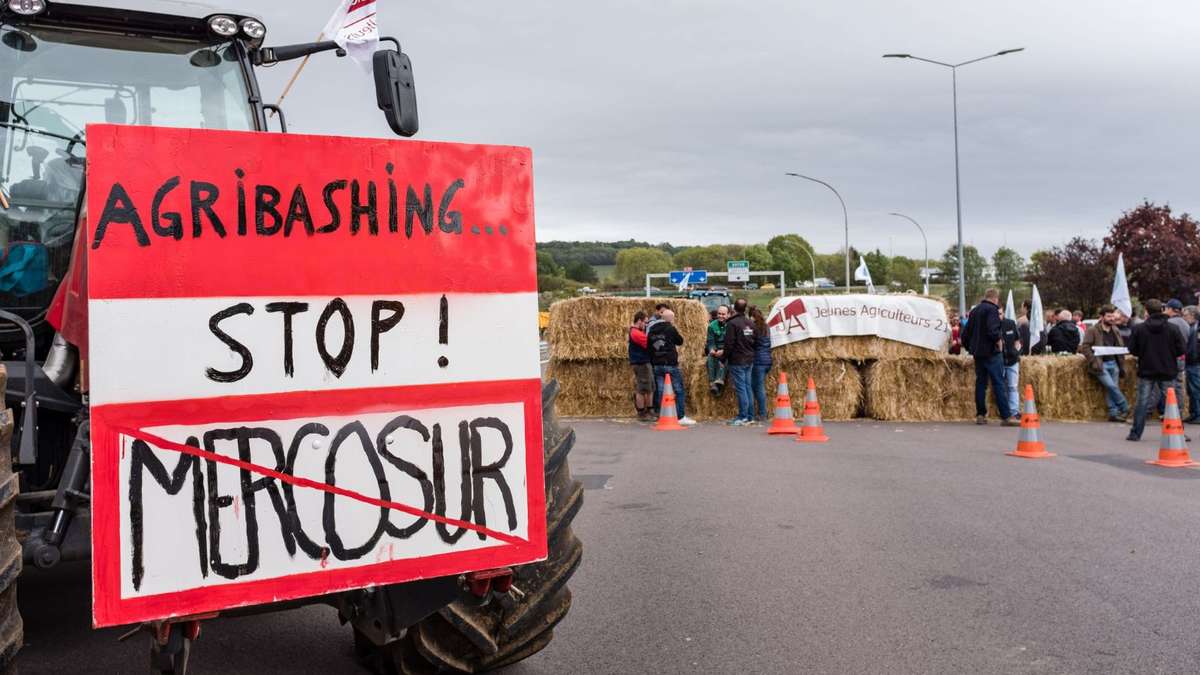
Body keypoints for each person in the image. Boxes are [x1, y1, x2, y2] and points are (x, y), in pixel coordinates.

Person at [1126, 299, 1185, 441]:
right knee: (1171, 402)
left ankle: (1136, 433)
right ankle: (1177, 430)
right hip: (1167, 368)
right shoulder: (1173, 328)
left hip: (1147, 368)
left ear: (1146, 311)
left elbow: (1132, 349)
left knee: (1142, 402)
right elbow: (1181, 349)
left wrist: (1144, 353)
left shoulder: (1139, 329)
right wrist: (1169, 355)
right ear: (1162, 310)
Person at [961, 288, 1016, 425]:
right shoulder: (992, 310)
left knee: (981, 383)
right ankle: (1006, 416)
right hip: (991, 352)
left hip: (977, 353)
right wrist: (999, 341)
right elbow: (993, 330)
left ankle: (980, 414)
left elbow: (966, 334)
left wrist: (970, 348)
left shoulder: (974, 311)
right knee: (998, 382)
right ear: (995, 298)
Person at [1079, 304, 1130, 422]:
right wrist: (1093, 360)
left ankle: (1113, 413)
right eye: (1108, 316)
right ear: (1101, 317)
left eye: (1113, 316)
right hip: (1101, 364)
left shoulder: (1115, 329)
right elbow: (1085, 347)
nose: (1112, 319)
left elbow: (1120, 345)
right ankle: (1124, 406)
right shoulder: (1093, 330)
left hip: (1114, 363)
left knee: (1111, 388)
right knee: (1111, 386)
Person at [648, 308, 696, 426]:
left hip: (657, 364)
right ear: (670, 319)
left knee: (660, 391)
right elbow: (680, 341)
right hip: (669, 363)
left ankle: (662, 415)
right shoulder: (670, 328)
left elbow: (648, 346)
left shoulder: (651, 329)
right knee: (678, 390)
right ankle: (680, 416)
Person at [723, 298, 758, 425]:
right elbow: (755, 341)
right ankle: (750, 415)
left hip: (737, 359)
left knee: (741, 388)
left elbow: (729, 344)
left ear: (734, 308)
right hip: (749, 359)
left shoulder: (732, 324)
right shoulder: (751, 323)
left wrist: (723, 358)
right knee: (748, 387)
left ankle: (743, 416)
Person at [628, 311, 655, 421]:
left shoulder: (636, 332)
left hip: (643, 362)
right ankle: (642, 413)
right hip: (641, 363)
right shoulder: (636, 333)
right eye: (645, 322)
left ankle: (649, 410)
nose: (646, 325)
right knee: (643, 389)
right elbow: (650, 345)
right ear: (639, 321)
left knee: (650, 388)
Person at [749, 306, 772, 422]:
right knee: (758, 387)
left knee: (757, 388)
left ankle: (762, 414)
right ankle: (761, 413)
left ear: (752, 317)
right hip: (767, 360)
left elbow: (751, 344)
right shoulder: (767, 328)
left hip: (758, 361)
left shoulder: (754, 328)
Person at [999, 307, 1021, 416]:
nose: (999, 316)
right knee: (1001, 387)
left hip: (1013, 360)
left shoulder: (1010, 323)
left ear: (1003, 312)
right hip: (999, 361)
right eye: (997, 314)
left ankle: (1014, 411)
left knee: (1013, 386)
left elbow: (1017, 340)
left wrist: (1016, 352)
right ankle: (1004, 412)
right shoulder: (992, 325)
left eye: (1000, 313)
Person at [705, 305, 729, 395]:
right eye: (719, 313)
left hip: (726, 349)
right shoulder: (711, 326)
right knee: (710, 358)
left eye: (723, 314)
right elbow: (710, 340)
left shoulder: (730, 325)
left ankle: (719, 380)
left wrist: (723, 350)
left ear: (728, 315)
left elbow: (731, 342)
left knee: (724, 358)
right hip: (716, 348)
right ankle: (712, 383)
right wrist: (711, 349)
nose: (721, 316)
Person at [1183, 306, 1200, 423]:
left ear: (1192, 315)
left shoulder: (1197, 328)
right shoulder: (1191, 327)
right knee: (1191, 390)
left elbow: (1195, 348)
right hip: (1190, 362)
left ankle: (1198, 414)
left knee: (1196, 389)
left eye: (1186, 315)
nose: (1184, 318)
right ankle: (1193, 413)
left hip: (1195, 363)